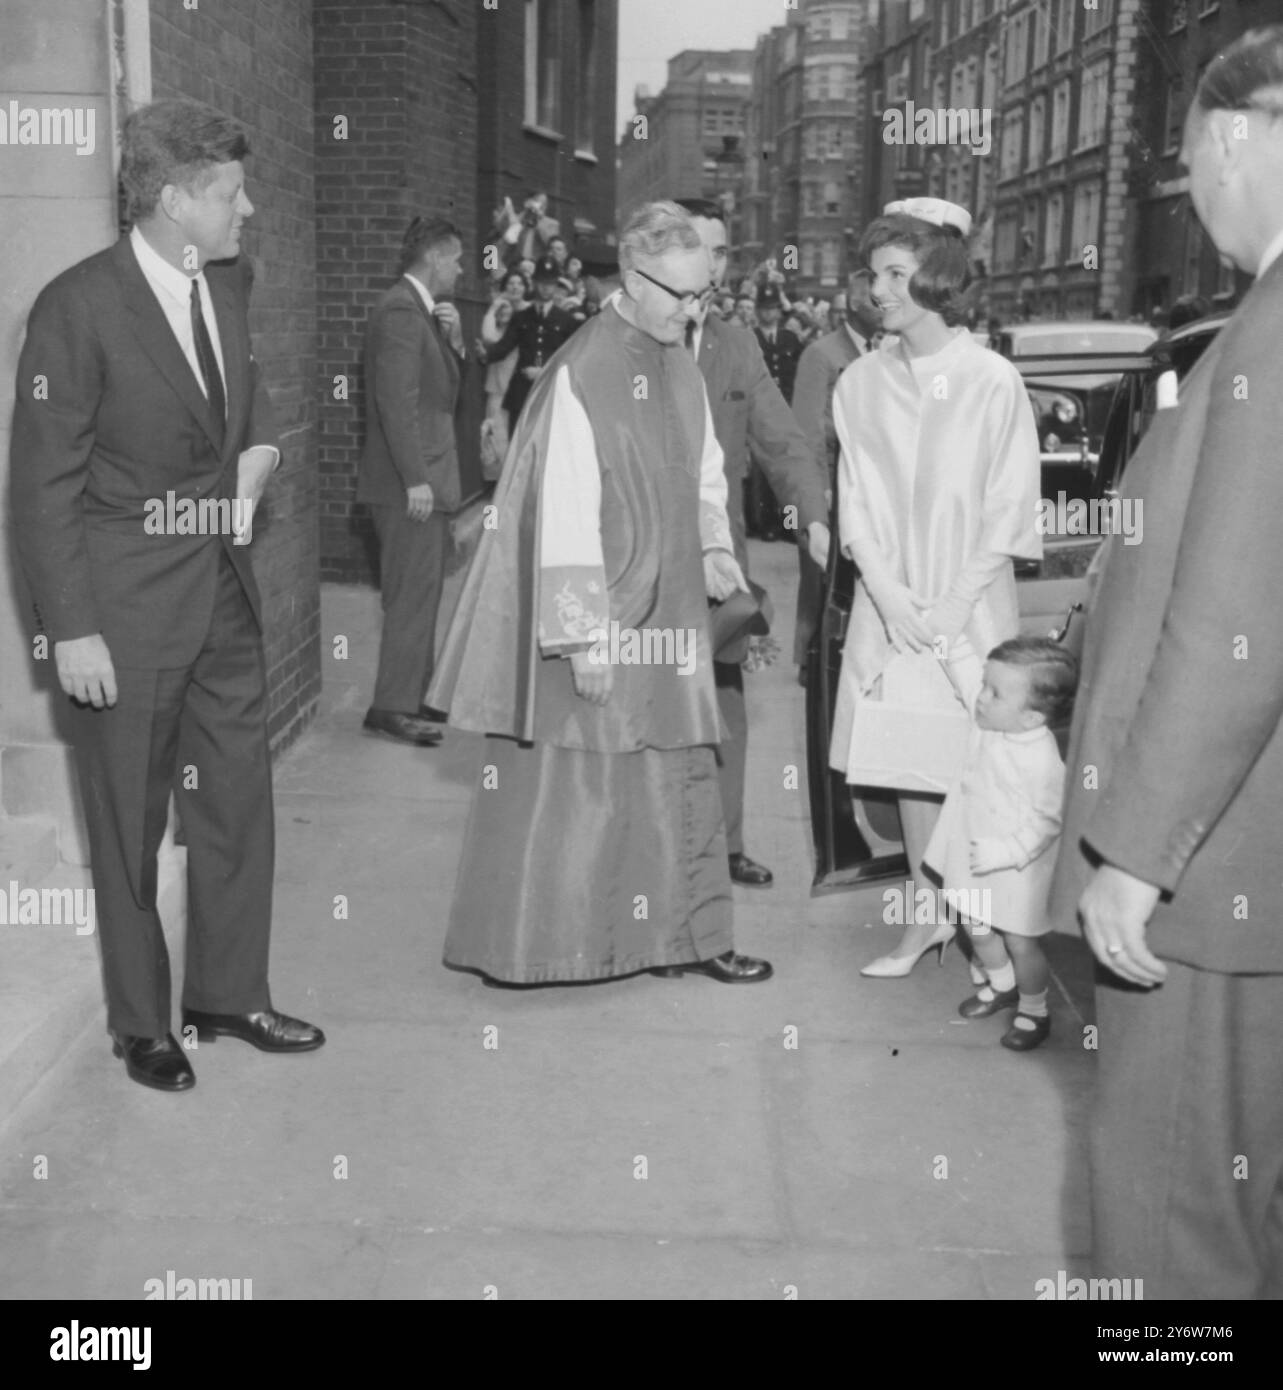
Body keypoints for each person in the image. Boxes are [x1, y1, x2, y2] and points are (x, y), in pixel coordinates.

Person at [10, 98, 324, 1092]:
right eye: (232, 191)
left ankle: (227, 992)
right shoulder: (77, 307)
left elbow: (254, 409)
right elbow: (39, 489)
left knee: (235, 803)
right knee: (128, 825)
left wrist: (258, 462)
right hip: (124, 616)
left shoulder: (217, 290)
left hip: (219, 601)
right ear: (177, 198)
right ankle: (142, 1021)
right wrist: (74, 633)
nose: (251, 208)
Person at [1049, 24, 1283, 1299]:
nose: (1192, 202)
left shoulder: (1271, 335)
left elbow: (1238, 623)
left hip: (1217, 878)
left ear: (1243, 140)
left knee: (1166, 1228)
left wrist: (1135, 853)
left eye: (1194, 166)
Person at [426, 200, 772, 986]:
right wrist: (581, 636)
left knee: (676, 769)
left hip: (675, 603)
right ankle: (548, 947)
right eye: (680, 296)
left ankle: (688, 939)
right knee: (580, 785)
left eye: (704, 296)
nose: (694, 313)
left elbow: (705, 469)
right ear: (632, 277)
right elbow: (560, 508)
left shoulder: (678, 356)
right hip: (607, 610)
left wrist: (715, 545)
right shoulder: (581, 368)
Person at [829, 197, 1042, 978]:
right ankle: (923, 922)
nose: (876, 290)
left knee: (973, 769)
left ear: (938, 279)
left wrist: (953, 605)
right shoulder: (857, 382)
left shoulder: (989, 379)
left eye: (895, 273)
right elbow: (854, 502)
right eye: (873, 273)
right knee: (908, 767)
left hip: (968, 606)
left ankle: (986, 929)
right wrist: (887, 597)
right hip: (891, 610)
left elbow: (1010, 503)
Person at [675, 198, 830, 889]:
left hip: (719, 562)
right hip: (642, 561)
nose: (712, 267)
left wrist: (813, 515)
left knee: (727, 698)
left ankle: (727, 841)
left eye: (720, 252)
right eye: (698, 250)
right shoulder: (622, 337)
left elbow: (781, 442)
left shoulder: (735, 344)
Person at [924, 638, 1076, 1051]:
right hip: (974, 856)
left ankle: (1033, 1009)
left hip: (1016, 868)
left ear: (1030, 718)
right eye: (984, 685)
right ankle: (1002, 982)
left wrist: (1007, 852)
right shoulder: (991, 723)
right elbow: (960, 666)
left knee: (1019, 940)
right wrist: (944, 636)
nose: (982, 698)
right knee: (975, 924)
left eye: (995, 692)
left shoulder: (1041, 761)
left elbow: (1048, 821)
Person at [358, 218, 469, 746]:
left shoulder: (421, 314)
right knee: (409, 596)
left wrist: (456, 343)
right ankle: (391, 706)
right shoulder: (402, 311)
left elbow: (438, 393)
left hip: (423, 477)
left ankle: (414, 694)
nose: (463, 270)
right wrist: (415, 480)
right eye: (457, 260)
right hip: (410, 485)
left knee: (422, 593)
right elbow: (395, 402)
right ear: (436, 260)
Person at [791, 269, 881, 679]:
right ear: (855, 304)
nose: (883, 307)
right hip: (829, 490)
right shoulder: (822, 354)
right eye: (874, 300)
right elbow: (806, 430)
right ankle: (814, 661)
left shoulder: (883, 354)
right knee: (821, 586)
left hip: (866, 492)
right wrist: (819, 495)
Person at [476, 255, 577, 434]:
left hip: (550, 391)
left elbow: (572, 358)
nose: (546, 287)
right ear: (535, 283)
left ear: (555, 285)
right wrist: (486, 354)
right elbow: (504, 346)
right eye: (542, 282)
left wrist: (545, 371)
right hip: (521, 392)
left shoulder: (566, 320)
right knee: (517, 443)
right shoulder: (522, 317)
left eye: (550, 283)